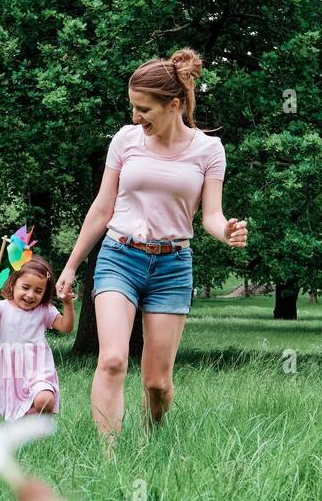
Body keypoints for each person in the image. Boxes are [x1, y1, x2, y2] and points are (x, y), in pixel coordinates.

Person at [55, 48, 249, 437]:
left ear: (173, 104)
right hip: (119, 256)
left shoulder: (209, 150)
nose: (135, 117)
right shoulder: (126, 141)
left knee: (157, 384)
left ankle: (152, 444)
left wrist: (225, 230)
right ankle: (108, 461)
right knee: (112, 359)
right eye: (132, 107)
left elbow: (210, 214)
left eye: (143, 109)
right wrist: (72, 264)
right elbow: (101, 208)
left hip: (172, 266)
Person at [0, 257, 75, 421]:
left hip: (39, 368)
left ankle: (41, 426)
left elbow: (66, 327)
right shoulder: (0, 307)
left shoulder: (45, 310)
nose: (30, 295)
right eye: (25, 287)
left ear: (44, 293)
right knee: (16, 414)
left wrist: (68, 304)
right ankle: (28, 431)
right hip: (11, 372)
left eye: (38, 291)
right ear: (13, 283)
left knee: (44, 399)